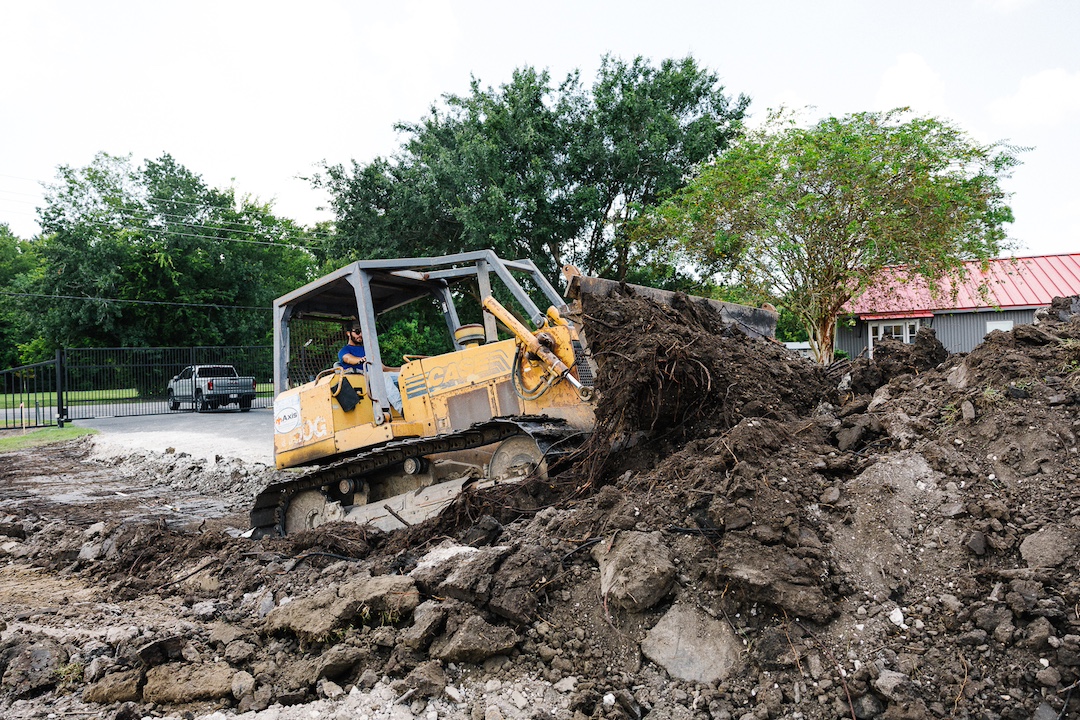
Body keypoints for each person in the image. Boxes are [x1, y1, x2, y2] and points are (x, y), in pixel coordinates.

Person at [338, 323, 403, 412]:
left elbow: (383, 368)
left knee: (405, 375)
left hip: (376, 375)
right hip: (362, 377)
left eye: (362, 332)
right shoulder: (345, 350)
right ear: (348, 333)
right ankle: (402, 408)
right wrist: (360, 359)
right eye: (357, 332)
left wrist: (404, 369)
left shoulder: (367, 349)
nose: (360, 334)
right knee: (383, 377)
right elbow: (348, 358)